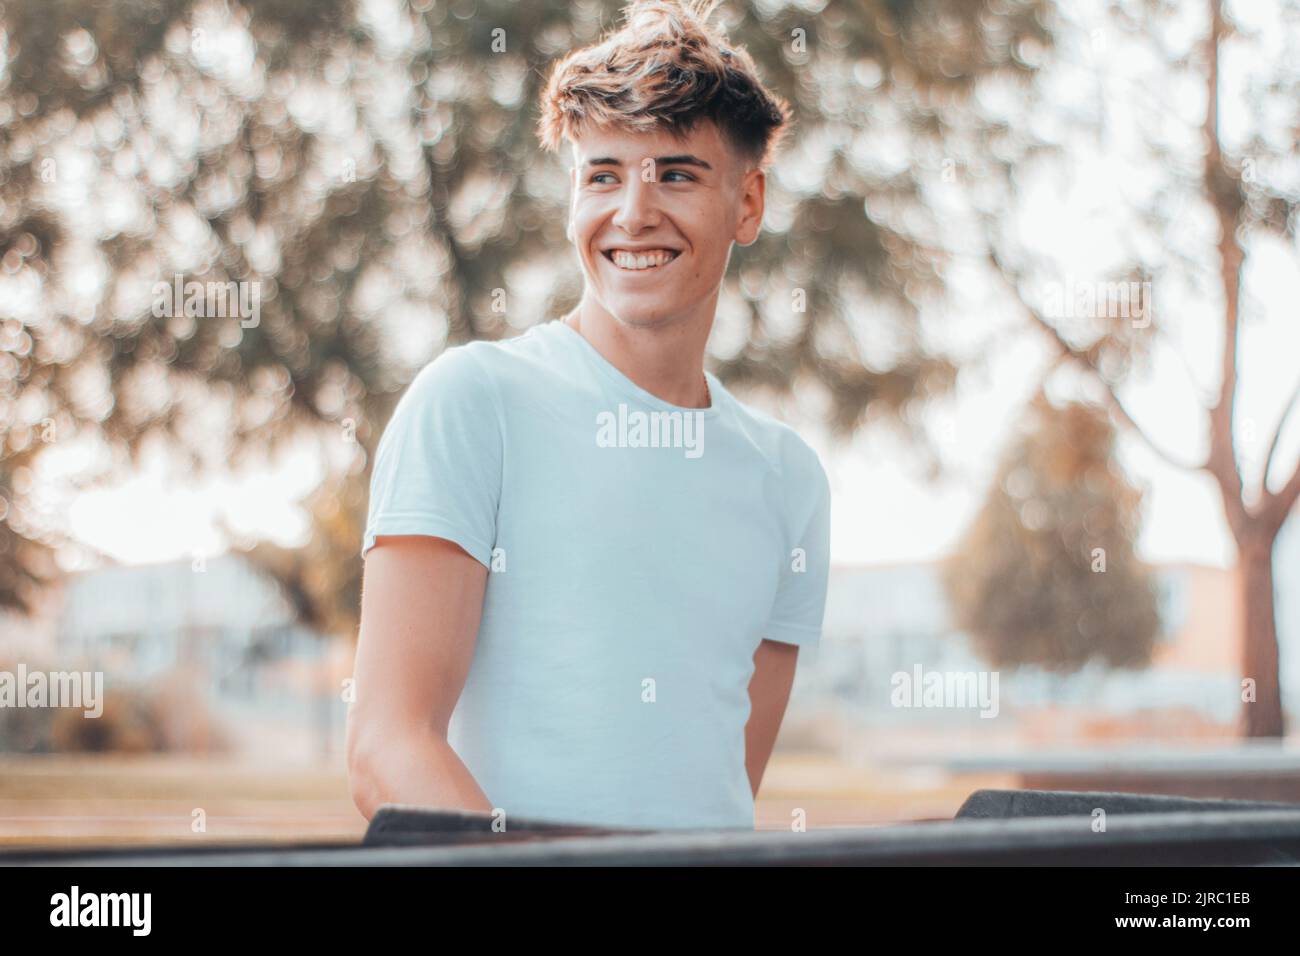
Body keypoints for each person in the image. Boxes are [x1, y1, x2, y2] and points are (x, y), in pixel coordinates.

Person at [347, 0, 831, 831]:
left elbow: (720, 790)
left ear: (747, 204)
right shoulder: (473, 402)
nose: (633, 212)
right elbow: (388, 746)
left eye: (676, 173)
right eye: (603, 173)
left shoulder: (791, 482)